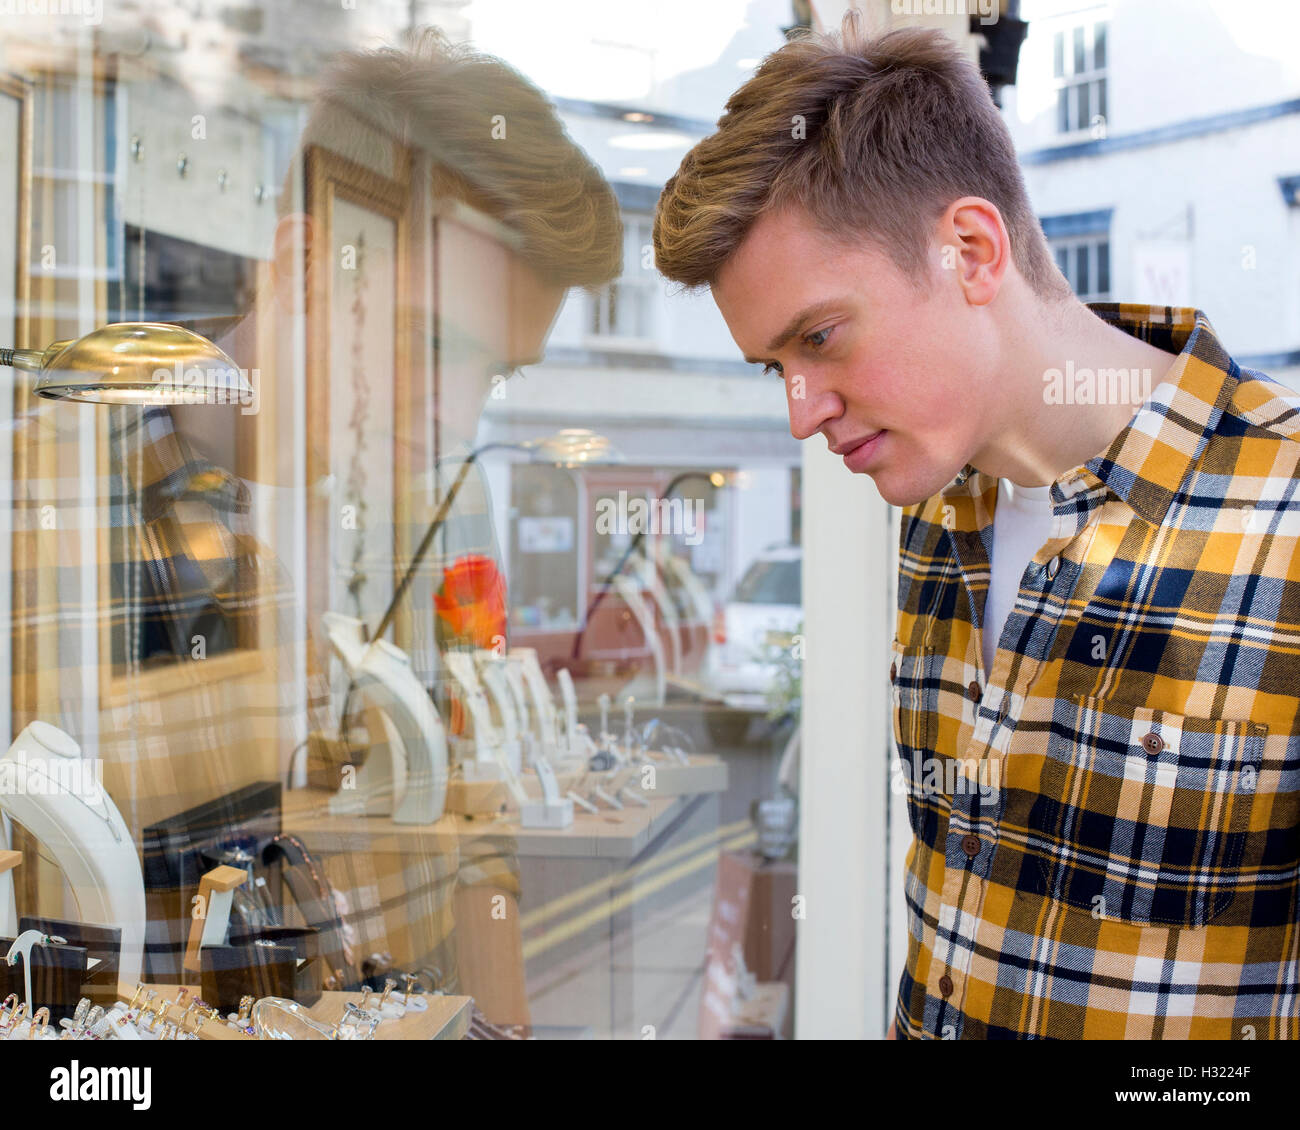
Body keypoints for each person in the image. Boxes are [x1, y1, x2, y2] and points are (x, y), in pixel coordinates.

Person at [653, 11, 1300, 1040]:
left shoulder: (1283, 512)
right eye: (776, 366)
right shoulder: (936, 514)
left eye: (819, 336)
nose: (801, 408)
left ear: (969, 249)